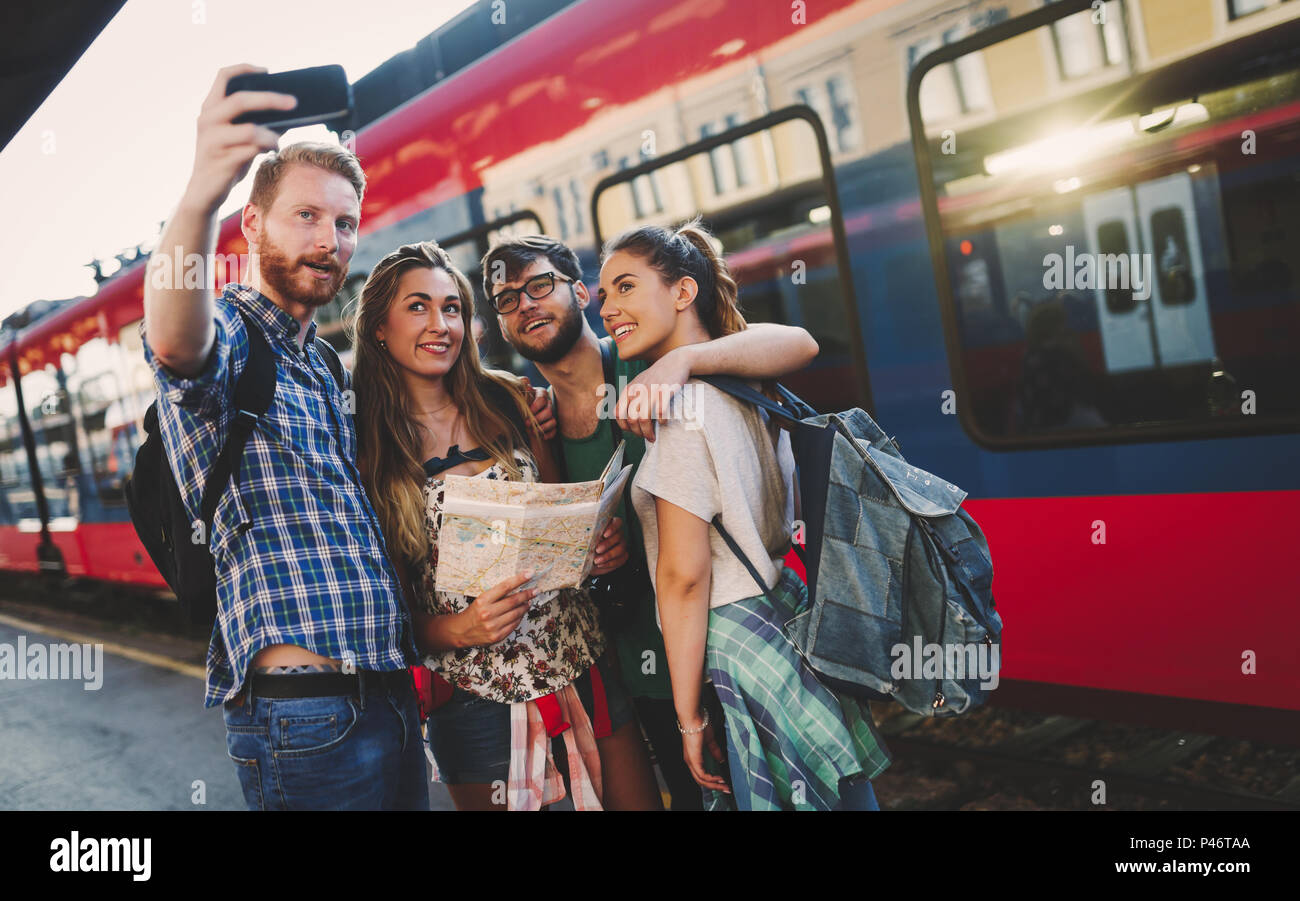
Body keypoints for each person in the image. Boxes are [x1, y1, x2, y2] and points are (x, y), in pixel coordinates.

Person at [141, 65, 433, 810]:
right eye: (305, 216)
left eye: (343, 223)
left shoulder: (323, 363)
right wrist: (205, 186)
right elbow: (176, 344)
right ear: (252, 225)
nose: (329, 239)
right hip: (306, 719)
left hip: (391, 697)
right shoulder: (233, 336)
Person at [481, 235, 821, 809]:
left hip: (721, 646)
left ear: (580, 293)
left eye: (540, 285)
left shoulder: (648, 355)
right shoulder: (532, 423)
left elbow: (798, 344)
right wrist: (591, 551)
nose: (526, 304)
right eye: (507, 299)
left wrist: (683, 360)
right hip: (642, 667)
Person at [350, 240, 662, 811]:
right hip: (474, 701)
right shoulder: (366, 453)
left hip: (580, 658)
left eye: (452, 308)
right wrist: (460, 628)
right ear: (378, 328)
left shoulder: (511, 400)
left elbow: (554, 511)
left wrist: (593, 548)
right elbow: (381, 612)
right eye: (418, 307)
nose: (440, 324)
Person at [605, 219, 893, 810]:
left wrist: (687, 718)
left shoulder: (684, 410)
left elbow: (684, 579)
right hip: (781, 612)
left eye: (626, 287)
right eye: (604, 295)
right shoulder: (743, 382)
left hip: (736, 637)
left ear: (683, 292)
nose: (608, 309)